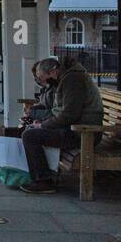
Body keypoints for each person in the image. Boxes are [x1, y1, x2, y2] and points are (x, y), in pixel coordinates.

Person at [21, 55, 104, 194]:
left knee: (30, 136)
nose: (46, 83)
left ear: (53, 72)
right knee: (30, 131)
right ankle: (42, 177)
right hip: (75, 128)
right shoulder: (67, 78)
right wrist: (43, 122)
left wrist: (43, 126)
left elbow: (70, 114)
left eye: (45, 79)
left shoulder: (72, 80)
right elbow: (61, 111)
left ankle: (44, 181)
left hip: (83, 133)